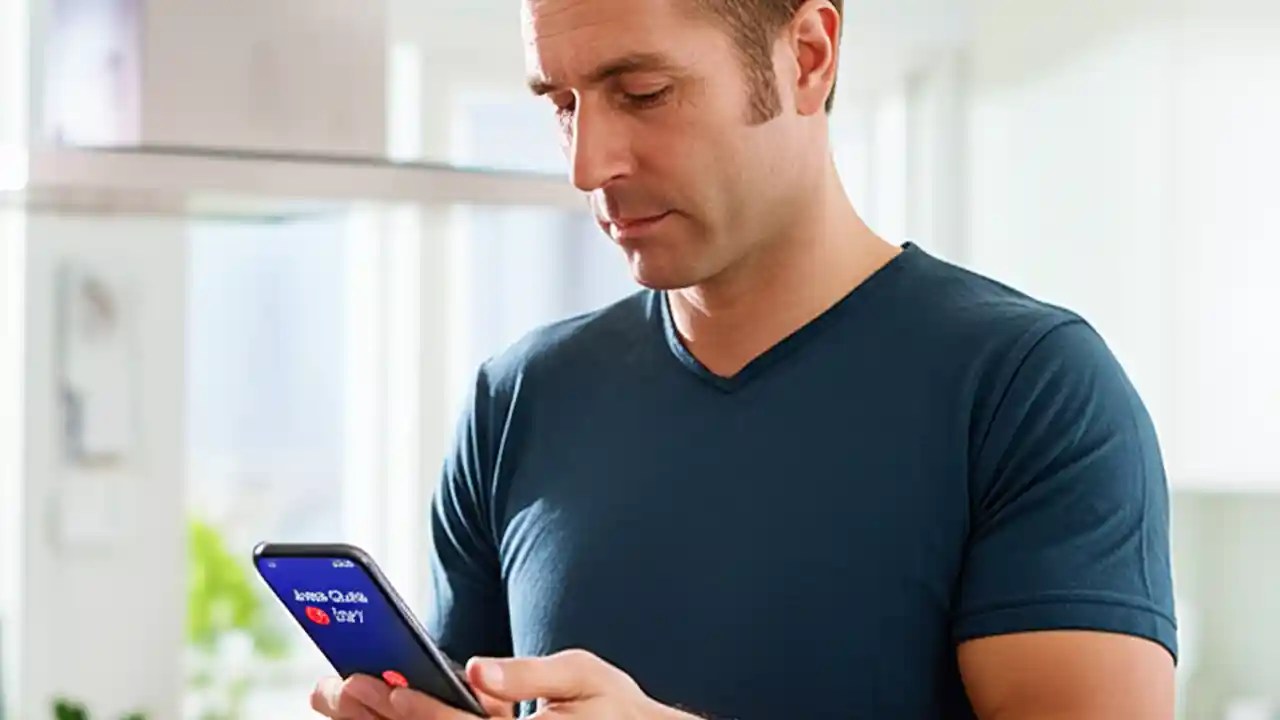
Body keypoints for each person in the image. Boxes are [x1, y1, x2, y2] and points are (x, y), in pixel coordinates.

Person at [313, 0, 1177, 717]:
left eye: (643, 92)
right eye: (562, 104)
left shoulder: (1029, 388)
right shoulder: (518, 400)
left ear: (807, 56)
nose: (586, 165)